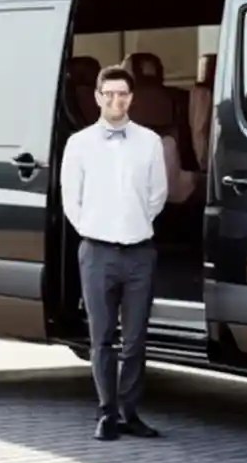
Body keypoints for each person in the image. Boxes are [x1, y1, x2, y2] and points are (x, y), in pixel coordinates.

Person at [60, 64, 168, 441]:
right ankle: (106, 412)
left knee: (136, 339)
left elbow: (157, 195)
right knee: (102, 337)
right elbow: (71, 200)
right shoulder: (79, 144)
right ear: (98, 97)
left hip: (139, 253)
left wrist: (133, 224)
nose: (116, 100)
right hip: (97, 252)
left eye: (122, 94)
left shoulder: (149, 142)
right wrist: (97, 228)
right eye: (109, 94)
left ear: (131, 98)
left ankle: (129, 412)